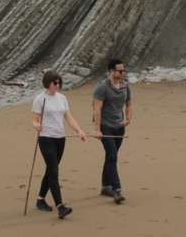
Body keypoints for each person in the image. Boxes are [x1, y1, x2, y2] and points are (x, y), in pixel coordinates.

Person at [32, 70, 86, 219]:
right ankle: (60, 206)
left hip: (60, 138)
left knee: (50, 170)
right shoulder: (40, 99)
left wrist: (79, 130)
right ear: (47, 83)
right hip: (46, 138)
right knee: (54, 171)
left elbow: (69, 117)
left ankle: (40, 199)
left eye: (59, 82)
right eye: (54, 83)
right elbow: (35, 119)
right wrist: (36, 125)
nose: (57, 85)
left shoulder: (62, 98)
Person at [93, 58, 133, 204]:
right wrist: (97, 129)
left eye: (124, 70)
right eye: (120, 70)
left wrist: (128, 118)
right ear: (111, 71)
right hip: (106, 126)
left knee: (111, 157)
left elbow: (129, 104)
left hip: (119, 126)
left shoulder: (125, 86)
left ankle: (105, 187)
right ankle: (116, 190)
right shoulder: (102, 87)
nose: (123, 73)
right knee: (112, 156)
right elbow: (97, 109)